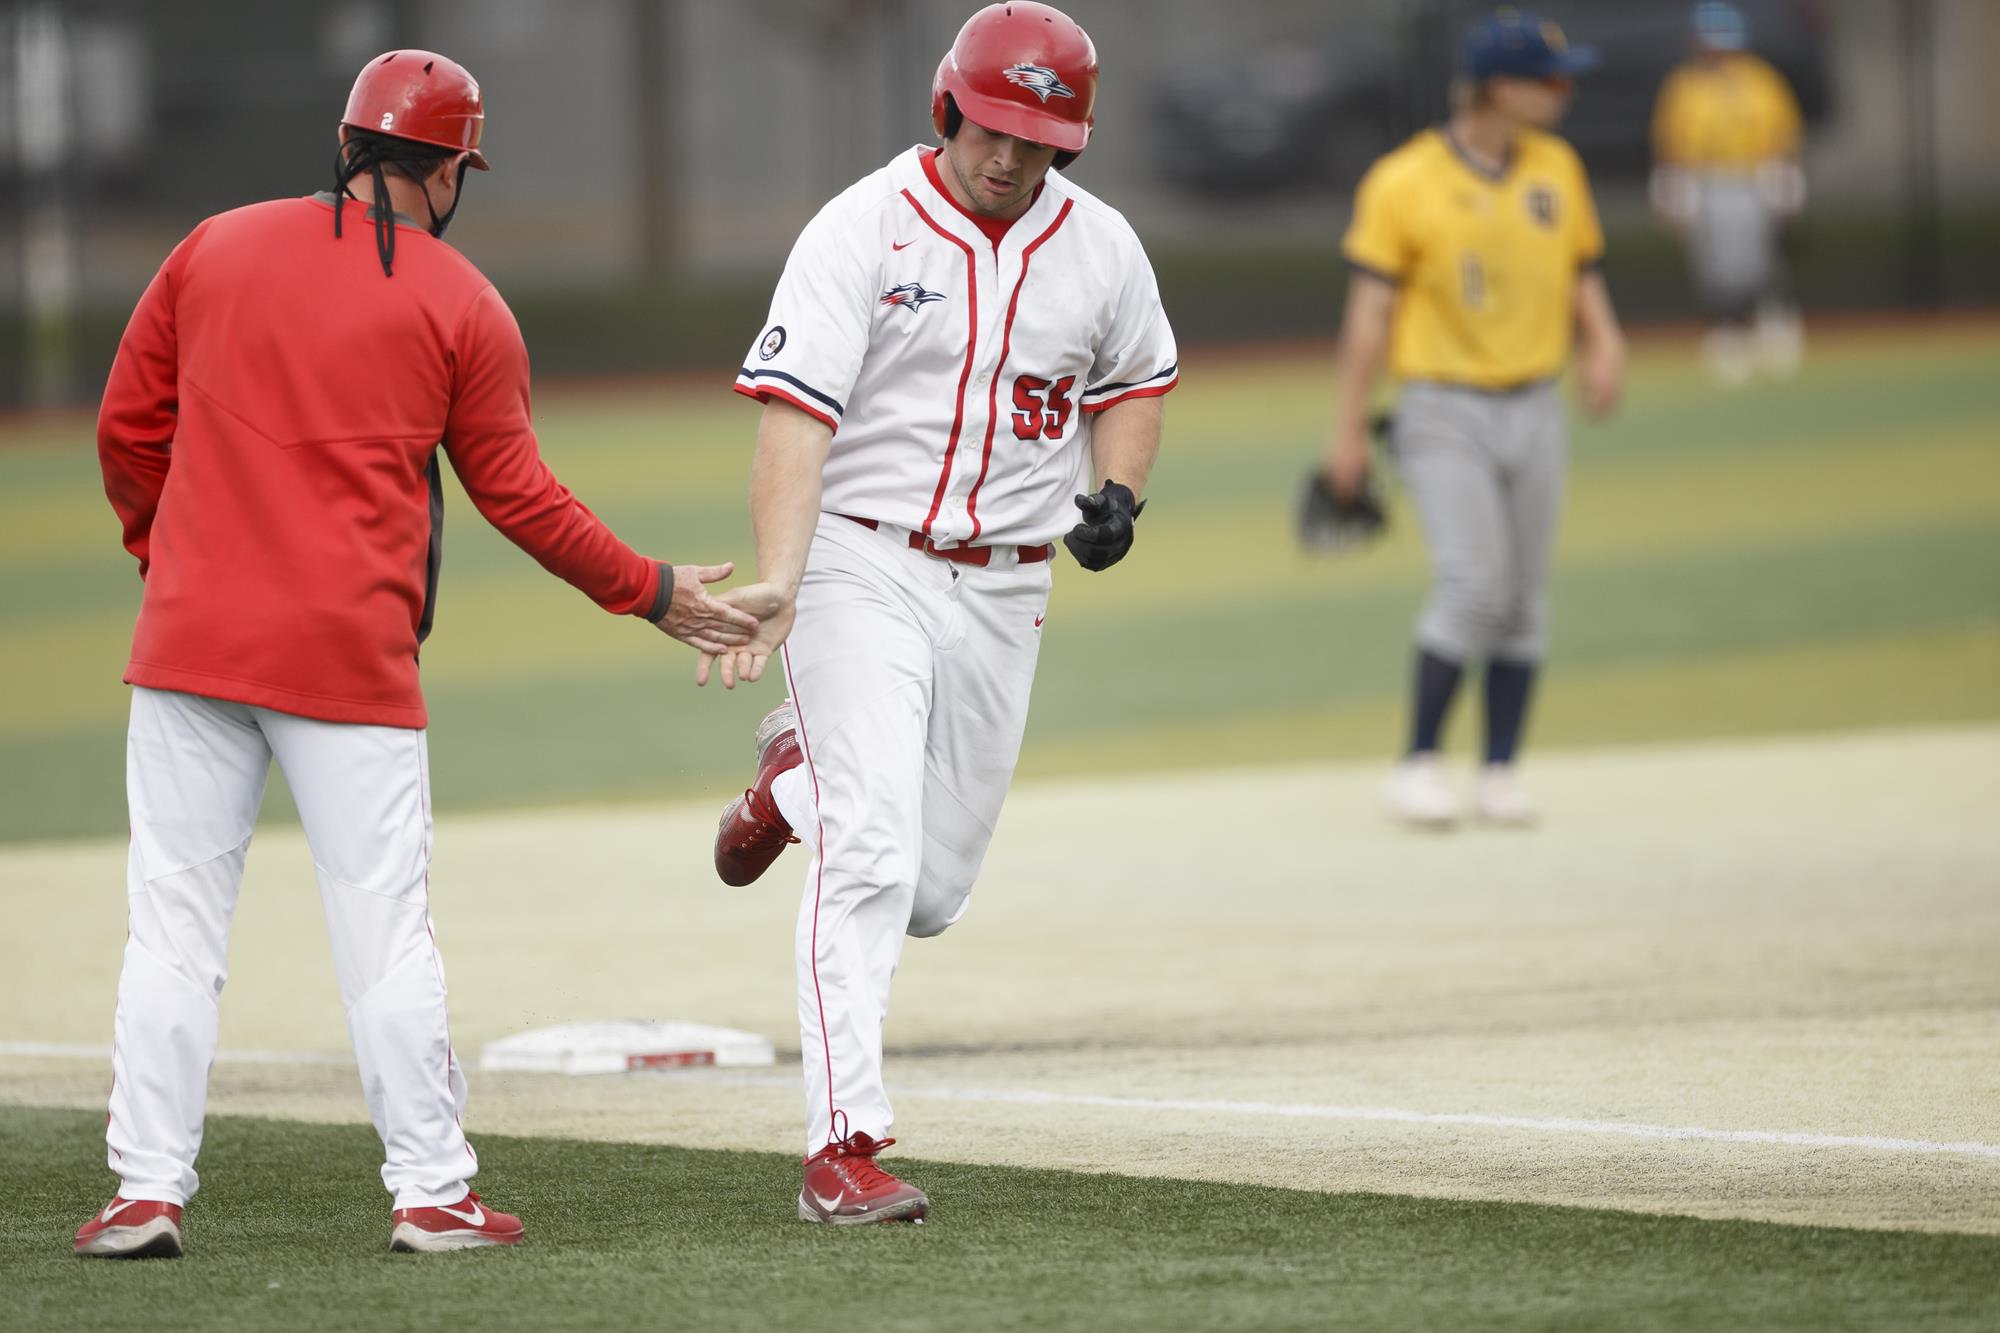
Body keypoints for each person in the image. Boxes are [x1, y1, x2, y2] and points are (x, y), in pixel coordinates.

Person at [77, 50, 757, 1259]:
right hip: (350, 663)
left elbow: (129, 430)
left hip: (189, 644)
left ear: (348, 145)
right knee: (386, 933)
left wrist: (167, 562)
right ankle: (431, 1194)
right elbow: (520, 499)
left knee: (171, 928)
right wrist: (650, 589)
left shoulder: (211, 246)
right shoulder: (464, 303)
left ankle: (145, 1193)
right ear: (447, 169)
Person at [702, 1, 1177, 1224]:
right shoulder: (860, 228)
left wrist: (1117, 491)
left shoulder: (1102, 247)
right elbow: (792, 425)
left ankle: (787, 787)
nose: (1007, 154)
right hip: (862, 561)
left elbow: (1131, 382)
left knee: (930, 890)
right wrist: (776, 583)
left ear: (1068, 141)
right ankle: (841, 1145)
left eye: (1035, 134)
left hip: (1009, 579)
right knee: (869, 855)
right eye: (990, 126)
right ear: (945, 106)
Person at [1322, 10, 1625, 829]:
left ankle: (1498, 770)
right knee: (1474, 584)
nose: (1565, 92)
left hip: (1535, 401)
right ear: (1502, 88)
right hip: (1441, 407)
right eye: (1551, 79)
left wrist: (1604, 344)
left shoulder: (1555, 168)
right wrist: (1347, 431)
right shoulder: (1403, 181)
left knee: (1525, 598)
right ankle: (1418, 763)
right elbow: (1368, 317)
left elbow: (1580, 269)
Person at [1651, 1, 1807, 383]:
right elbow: (1671, 140)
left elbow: (1784, 133)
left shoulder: (1760, 79)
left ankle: (1773, 319)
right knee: (1714, 259)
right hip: (1708, 180)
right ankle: (1728, 328)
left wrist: (1784, 176)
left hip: (1754, 176)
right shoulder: (1685, 84)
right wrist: (1674, 186)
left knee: (1760, 253)